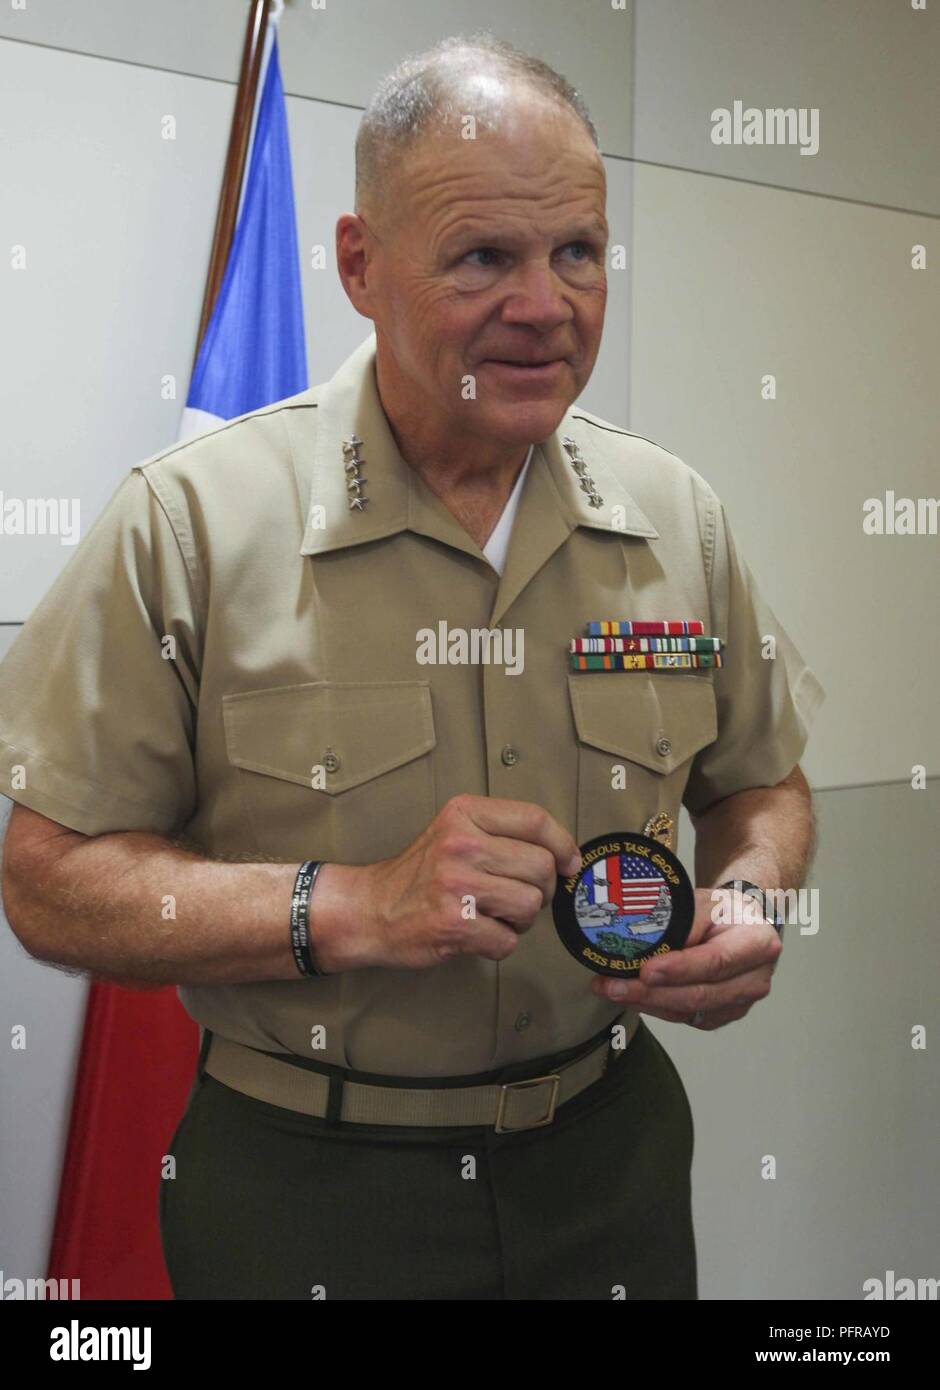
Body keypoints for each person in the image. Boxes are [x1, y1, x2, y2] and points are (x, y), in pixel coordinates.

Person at [0, 33, 823, 1300]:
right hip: (307, 1188)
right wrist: (349, 906)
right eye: (484, 255)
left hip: (612, 1166)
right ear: (357, 265)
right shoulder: (191, 526)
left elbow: (764, 783)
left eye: (579, 253)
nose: (546, 303)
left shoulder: (678, 517)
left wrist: (754, 898)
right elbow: (46, 883)